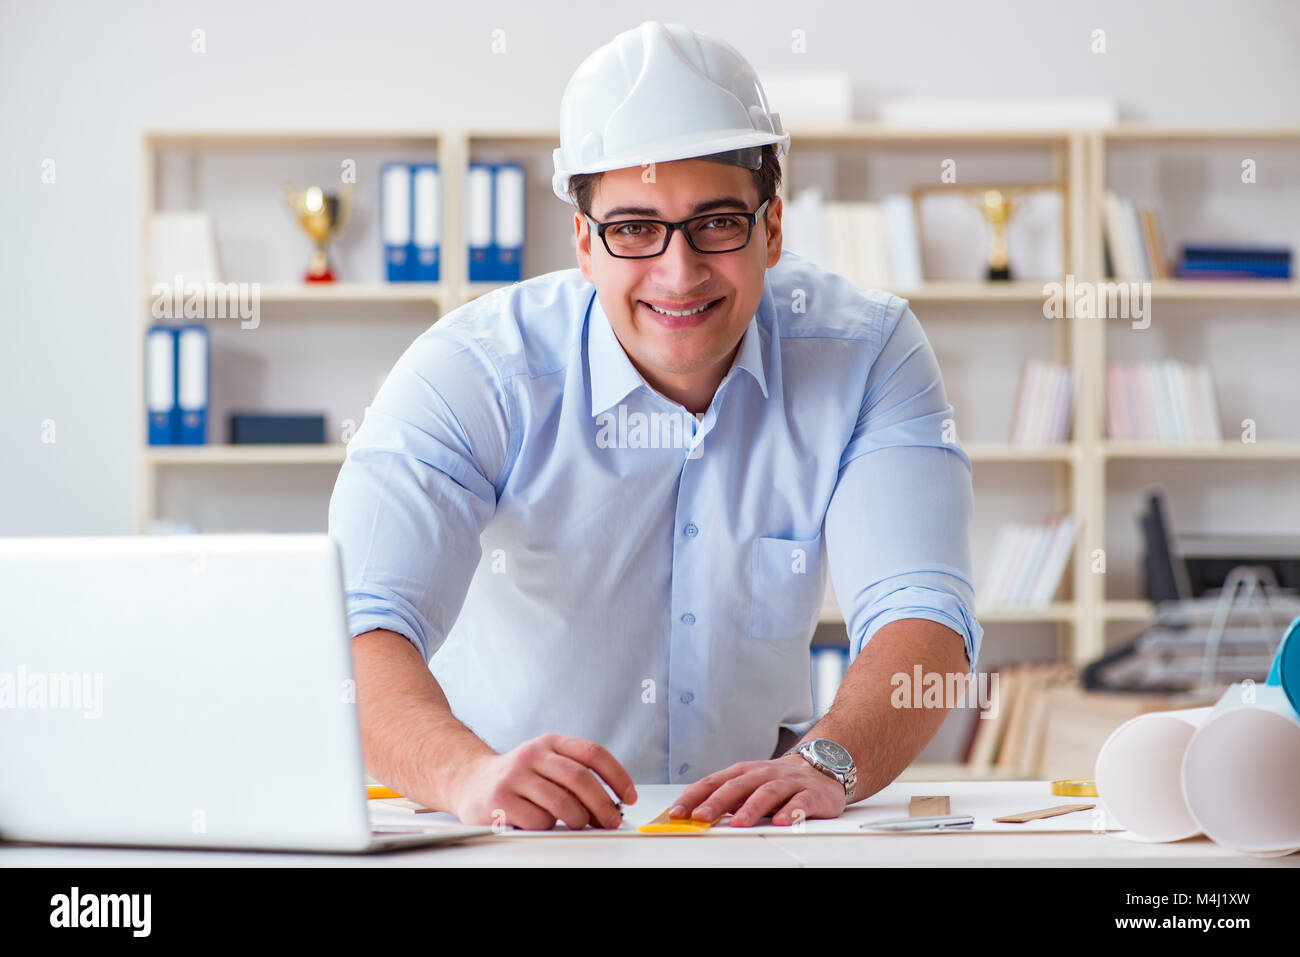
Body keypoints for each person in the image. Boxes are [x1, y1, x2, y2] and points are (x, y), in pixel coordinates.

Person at [327, 19, 982, 831]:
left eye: (717, 222)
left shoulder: (866, 355)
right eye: (635, 228)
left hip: (754, 839)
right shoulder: (473, 373)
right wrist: (466, 774)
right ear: (584, 243)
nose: (680, 272)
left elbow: (925, 614)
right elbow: (354, 627)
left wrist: (829, 762)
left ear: (772, 228)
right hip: (506, 832)